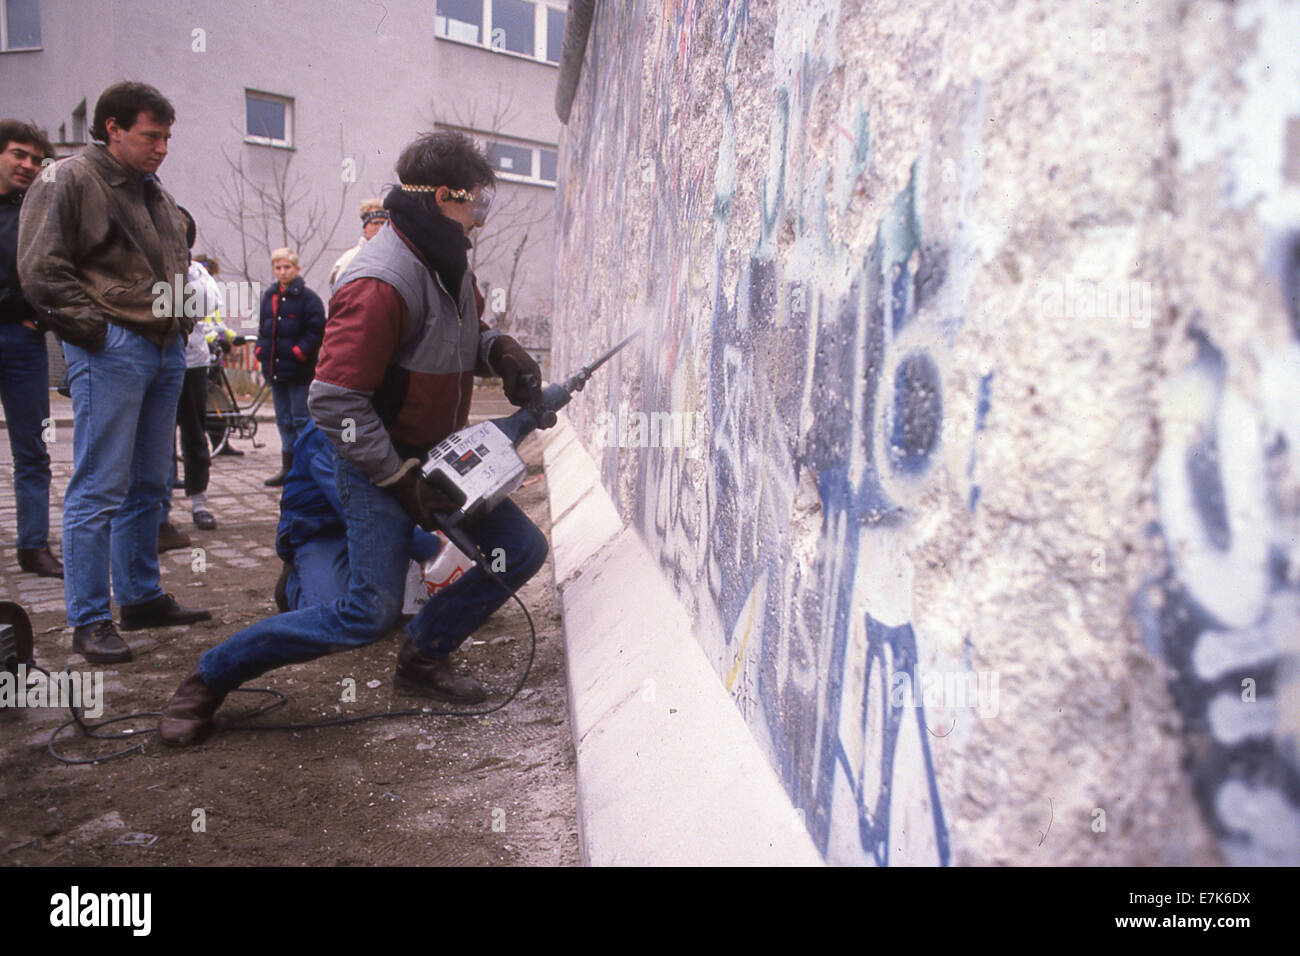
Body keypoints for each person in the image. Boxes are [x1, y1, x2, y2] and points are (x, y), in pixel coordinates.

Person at [160, 130, 548, 746]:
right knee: (366, 613)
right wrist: (397, 478)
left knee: (519, 550)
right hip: (378, 466)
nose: (479, 219)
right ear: (444, 196)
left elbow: (465, 334)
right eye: (476, 204)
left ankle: (424, 656)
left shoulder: (447, 264)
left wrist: (499, 350)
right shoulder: (380, 278)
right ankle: (209, 678)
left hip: (435, 460)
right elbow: (334, 400)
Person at [17, 82, 210, 665]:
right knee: (99, 486)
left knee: (151, 483)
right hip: (114, 348)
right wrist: (98, 334)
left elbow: (175, 259)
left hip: (163, 347)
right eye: (152, 136)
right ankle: (89, 617)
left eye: (168, 137)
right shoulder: (69, 179)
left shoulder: (152, 189)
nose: (163, 148)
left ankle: (140, 597)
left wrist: (175, 329)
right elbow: (41, 269)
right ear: (112, 128)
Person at [272, 419, 444, 612]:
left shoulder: (383, 419)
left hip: (369, 523)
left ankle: (351, 570)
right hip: (321, 531)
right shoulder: (334, 431)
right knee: (333, 612)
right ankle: (292, 583)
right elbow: (353, 503)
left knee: (385, 604)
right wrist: (427, 545)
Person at [0, 120, 61, 578]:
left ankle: (32, 545)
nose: (28, 165)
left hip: (23, 342)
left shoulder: (37, 211)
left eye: (37, 159)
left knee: (34, 448)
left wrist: (39, 313)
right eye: (19, 154)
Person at [160, 207, 222, 536]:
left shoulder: (196, 270)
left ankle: (199, 500)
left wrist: (177, 285)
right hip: (157, 363)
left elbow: (204, 302)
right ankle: (161, 510)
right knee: (160, 439)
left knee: (195, 434)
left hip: (193, 363)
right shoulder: (151, 262)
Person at [256, 248, 324, 487]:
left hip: (298, 371)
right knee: (283, 419)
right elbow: (264, 328)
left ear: (296, 269)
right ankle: (288, 466)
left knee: (300, 418)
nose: (283, 272)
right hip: (275, 370)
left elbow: (316, 330)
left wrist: (300, 351)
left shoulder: (308, 298)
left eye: (287, 267)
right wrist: (260, 350)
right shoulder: (269, 296)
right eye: (278, 268)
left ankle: (306, 467)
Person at [328, 198, 388, 290]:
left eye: (383, 223)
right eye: (375, 223)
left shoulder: (393, 258)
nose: (380, 228)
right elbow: (341, 293)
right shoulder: (351, 259)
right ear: (365, 227)